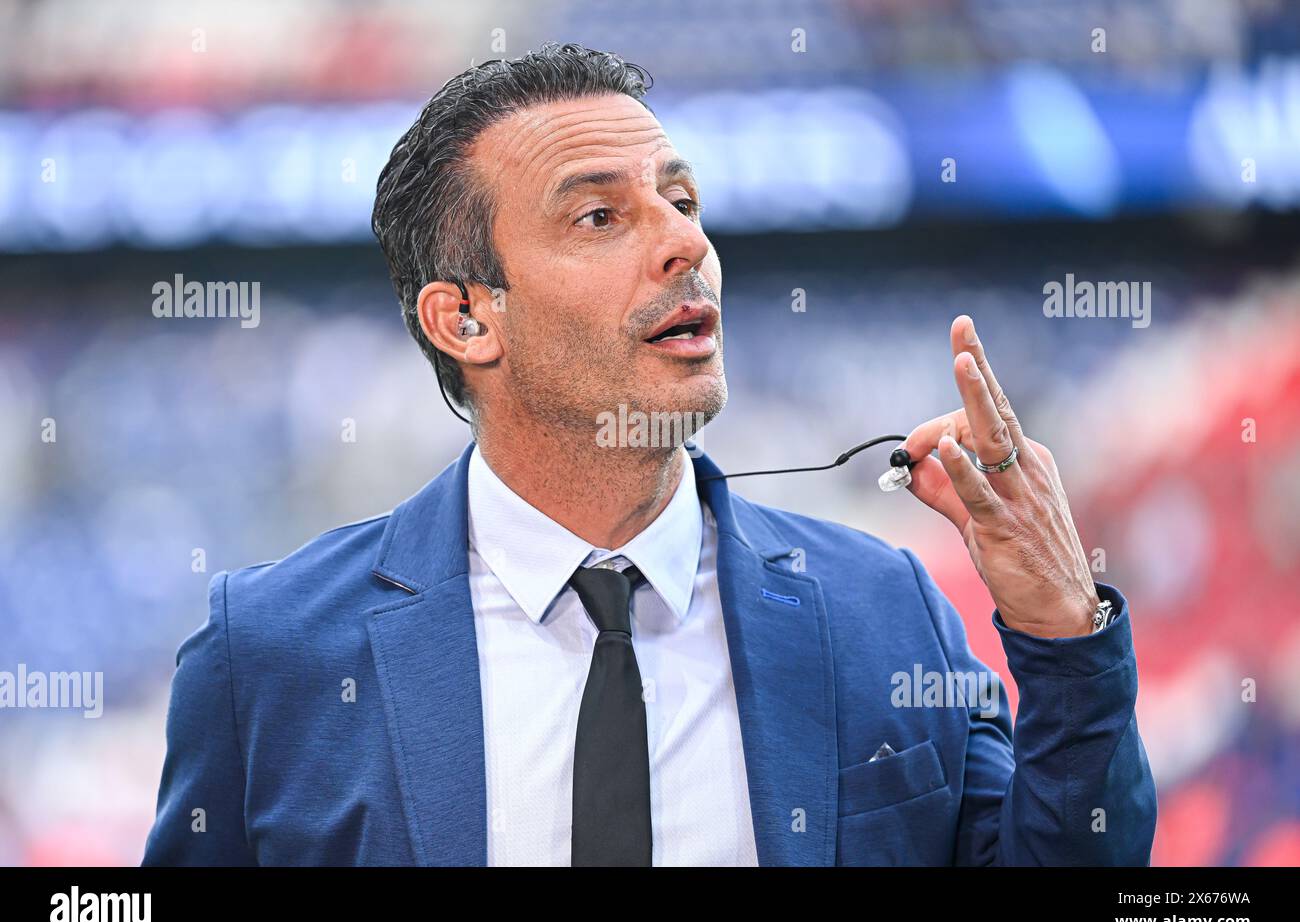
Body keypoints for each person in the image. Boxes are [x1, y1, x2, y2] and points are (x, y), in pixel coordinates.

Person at [142, 42, 1156, 866]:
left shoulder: (883, 609)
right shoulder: (269, 654)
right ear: (464, 319)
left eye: (681, 200)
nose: (684, 244)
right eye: (600, 216)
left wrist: (1062, 632)